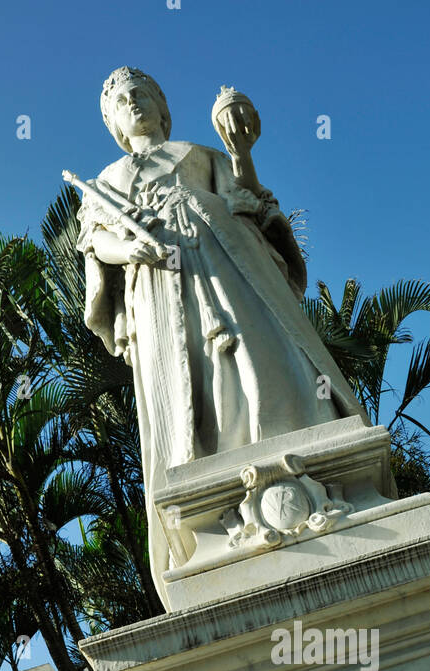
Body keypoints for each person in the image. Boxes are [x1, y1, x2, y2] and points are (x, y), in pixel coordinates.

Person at [75, 67, 367, 603]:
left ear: (164, 109)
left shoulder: (198, 154)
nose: (134, 101)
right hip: (159, 289)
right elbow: (97, 245)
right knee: (190, 386)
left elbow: (250, 204)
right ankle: (208, 468)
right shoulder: (103, 183)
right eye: (122, 99)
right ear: (113, 122)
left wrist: (241, 150)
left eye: (144, 93)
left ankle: (288, 432)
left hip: (229, 261)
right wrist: (129, 250)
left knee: (259, 349)